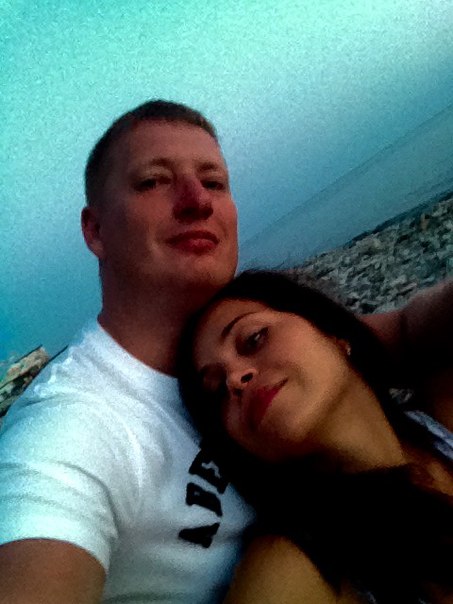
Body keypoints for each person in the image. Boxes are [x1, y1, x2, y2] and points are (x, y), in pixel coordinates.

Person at [0, 99, 451, 604]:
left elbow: (400, 335)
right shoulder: (68, 428)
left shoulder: (264, 341)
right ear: (95, 230)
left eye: (214, 182)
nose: (197, 201)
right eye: (153, 181)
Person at [178, 270, 453, 604]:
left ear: (334, 335)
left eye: (253, 339)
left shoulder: (442, 412)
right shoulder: (293, 569)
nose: (235, 379)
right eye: (217, 391)